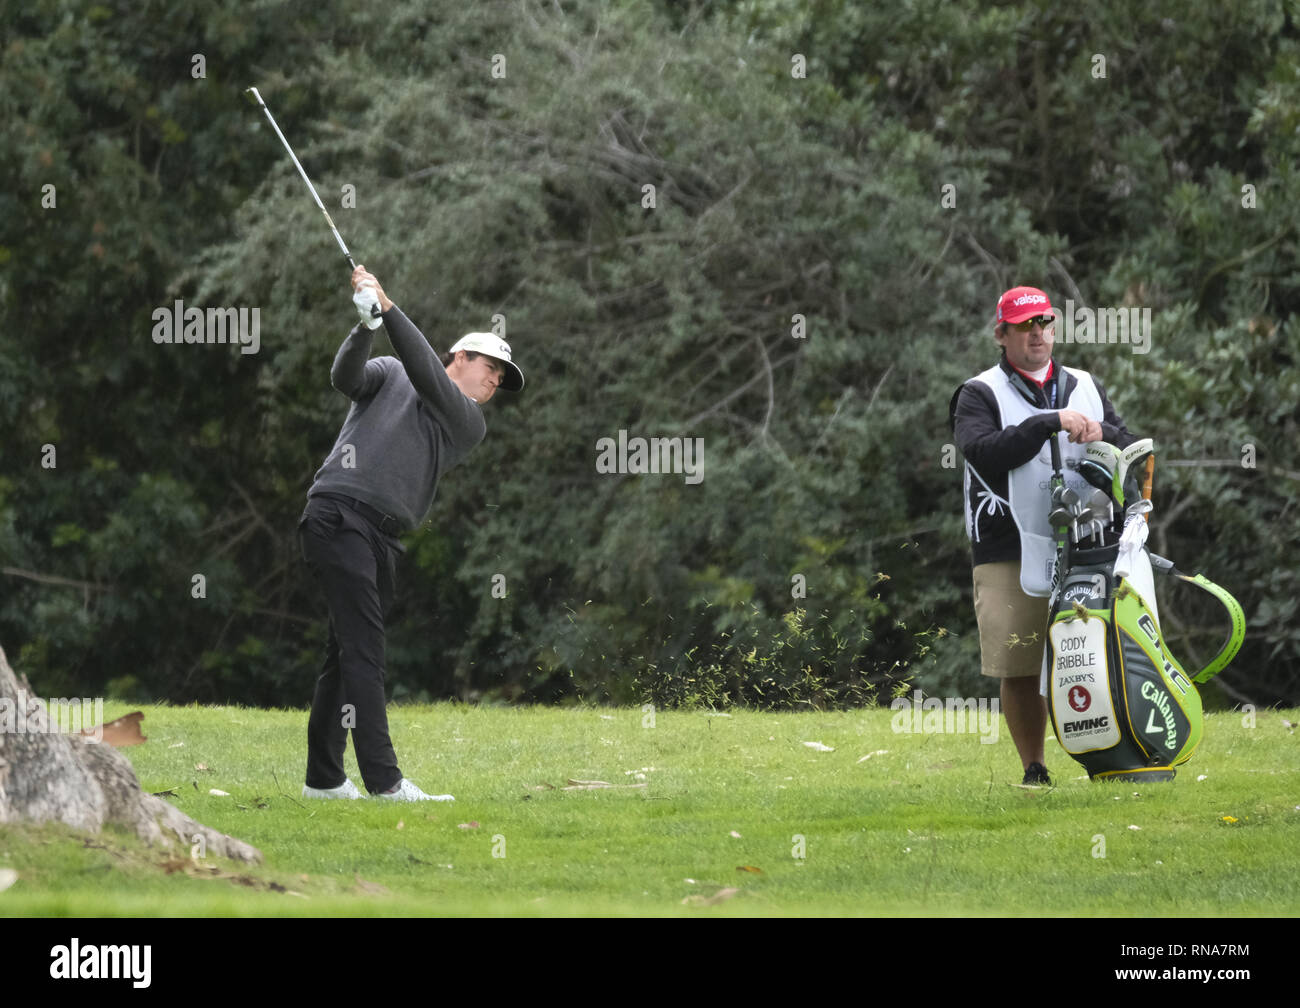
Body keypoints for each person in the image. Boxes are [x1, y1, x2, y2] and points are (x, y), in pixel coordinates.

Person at [298, 265, 523, 801]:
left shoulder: (466, 421)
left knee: (344, 652)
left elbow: (424, 370)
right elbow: (345, 379)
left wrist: (390, 310)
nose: (494, 382)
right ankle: (385, 782)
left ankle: (324, 780)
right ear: (460, 357)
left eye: (501, 379)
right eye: (490, 368)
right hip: (336, 514)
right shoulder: (390, 371)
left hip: (382, 537)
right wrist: (366, 325)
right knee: (365, 651)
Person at [949, 286, 1137, 786]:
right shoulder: (979, 391)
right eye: (1024, 324)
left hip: (1088, 539)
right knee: (1021, 663)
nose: (1037, 332)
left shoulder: (1083, 384)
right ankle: (1035, 768)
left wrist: (1102, 433)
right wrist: (1048, 423)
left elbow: (1127, 444)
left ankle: (1109, 759)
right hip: (1007, 543)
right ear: (1002, 334)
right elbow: (983, 451)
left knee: (1090, 653)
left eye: (1044, 322)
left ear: (1054, 327)